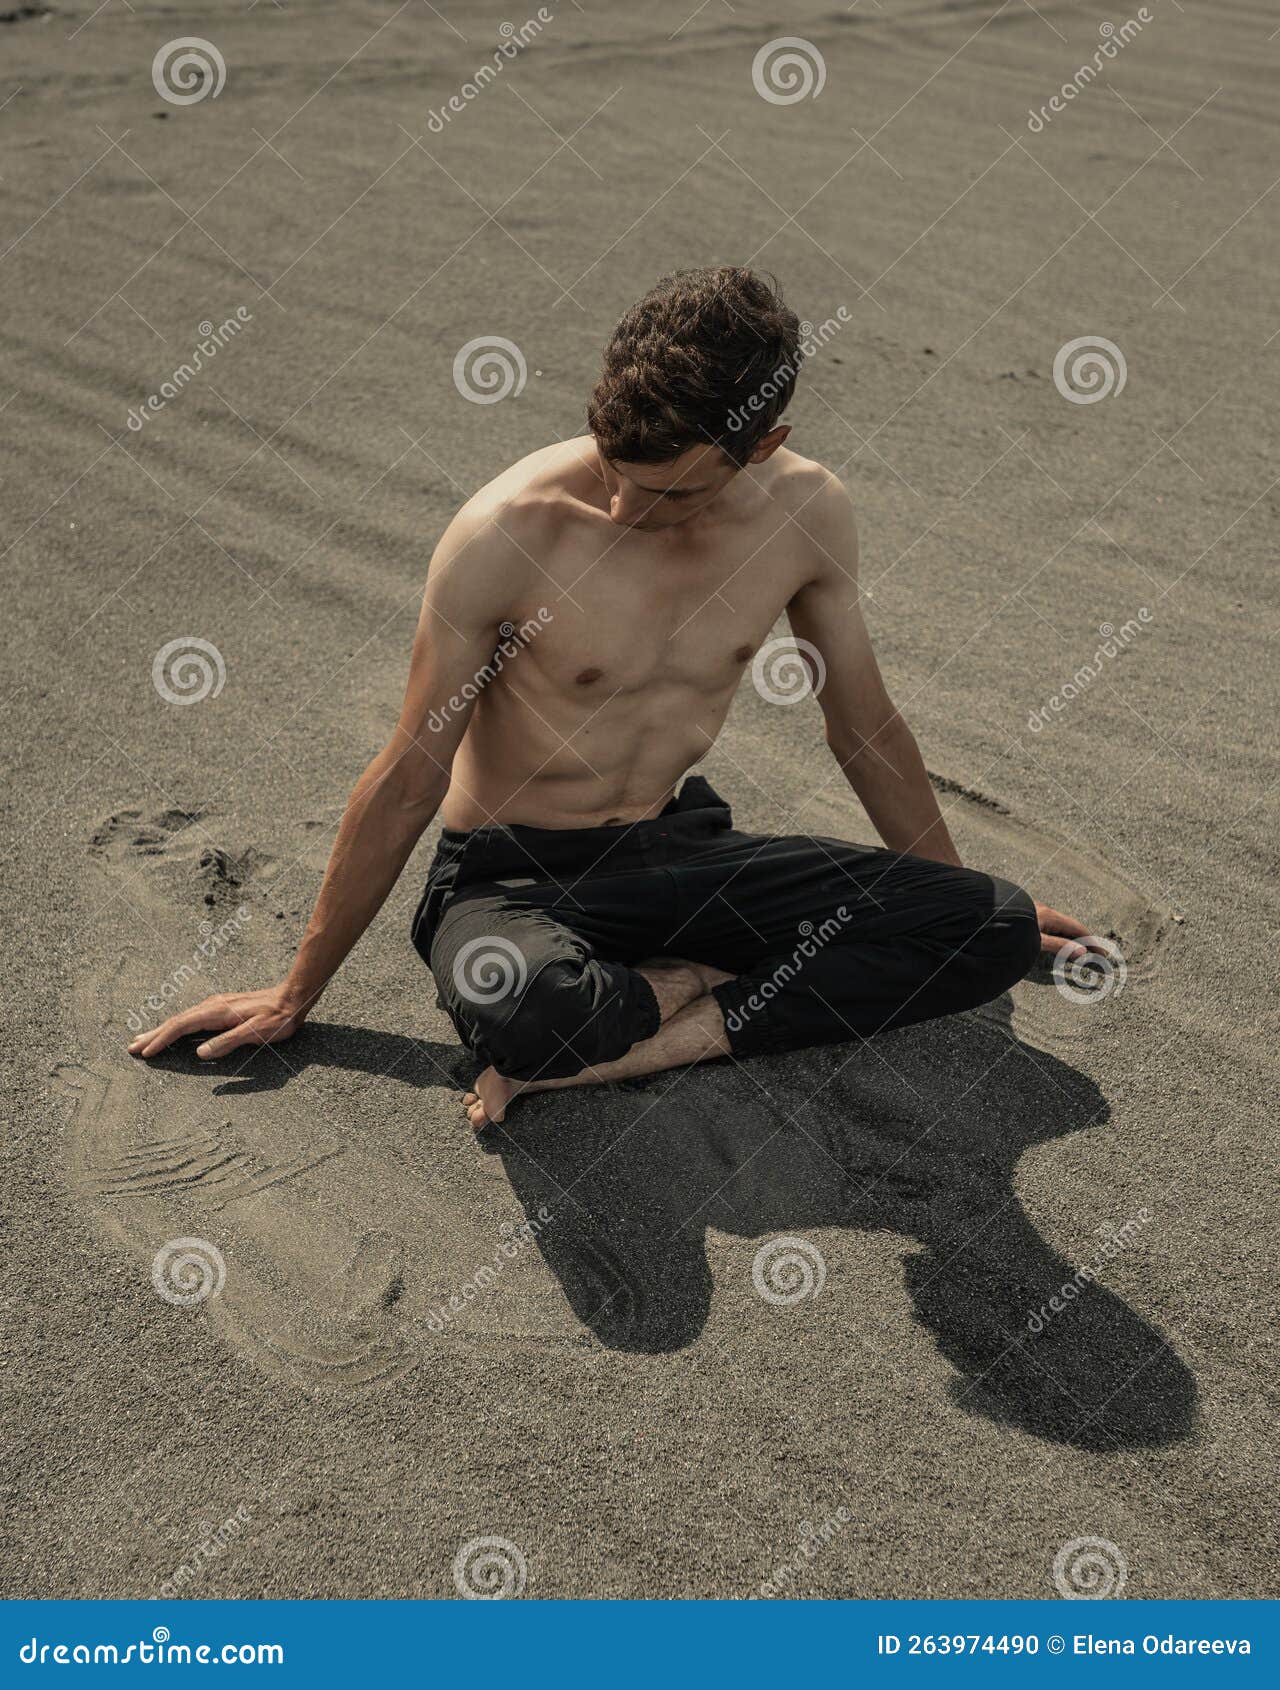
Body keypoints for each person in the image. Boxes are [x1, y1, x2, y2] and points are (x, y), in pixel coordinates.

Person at [129, 267, 1096, 1129]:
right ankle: (695, 987)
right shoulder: (508, 532)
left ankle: (656, 1030)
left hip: (683, 852)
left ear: (764, 445)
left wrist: (945, 898)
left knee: (996, 929)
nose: (626, 510)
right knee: (530, 1009)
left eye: (671, 495)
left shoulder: (807, 515)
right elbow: (409, 774)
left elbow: (865, 729)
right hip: (508, 878)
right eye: (615, 471)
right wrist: (296, 993)